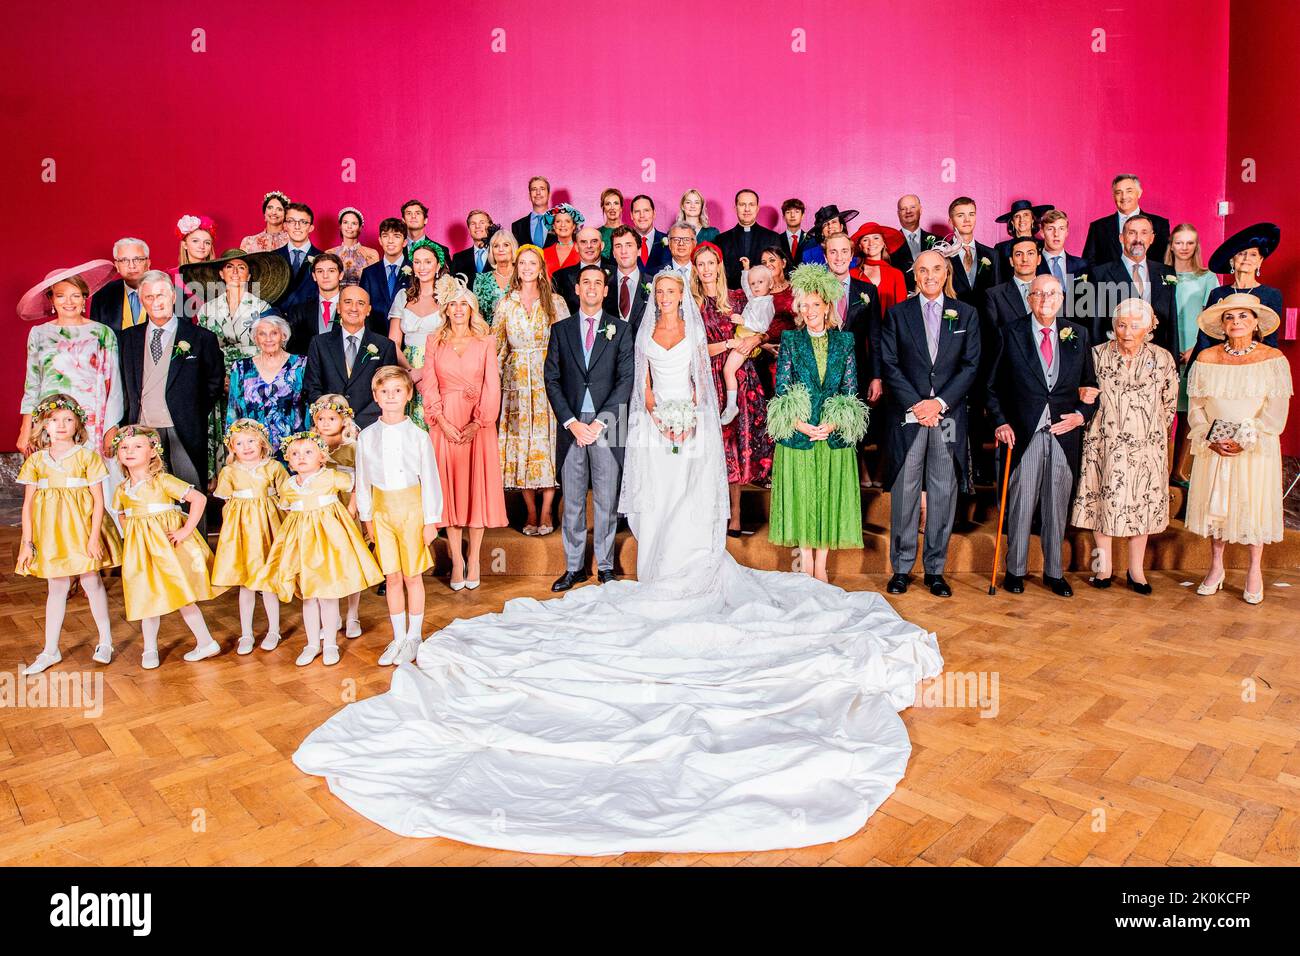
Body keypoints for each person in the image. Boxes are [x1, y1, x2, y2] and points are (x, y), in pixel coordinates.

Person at [292, 238, 942, 854]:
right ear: (654, 297)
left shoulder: (691, 326)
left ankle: (694, 575)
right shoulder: (638, 330)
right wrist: (656, 417)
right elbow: (645, 383)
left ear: (677, 295)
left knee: (692, 505)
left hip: (693, 425)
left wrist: (694, 417)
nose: (664, 300)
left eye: (669, 292)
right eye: (659, 293)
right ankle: (661, 573)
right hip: (657, 427)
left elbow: (700, 371)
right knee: (657, 509)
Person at [987, 274, 1098, 598]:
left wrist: (1080, 416)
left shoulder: (1078, 334)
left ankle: (1054, 572)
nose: (1045, 299)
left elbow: (1091, 389)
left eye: (1052, 294)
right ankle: (1016, 571)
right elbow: (991, 387)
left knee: (1056, 505)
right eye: (1038, 294)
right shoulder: (1010, 333)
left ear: (1061, 298)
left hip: (1064, 434)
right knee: (1020, 504)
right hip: (1023, 433)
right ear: (1030, 298)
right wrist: (1000, 422)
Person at [880, 249, 981, 597]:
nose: (930, 276)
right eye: (923, 270)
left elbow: (971, 365)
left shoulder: (966, 313)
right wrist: (917, 404)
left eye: (936, 269)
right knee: (905, 493)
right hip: (909, 419)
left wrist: (938, 403)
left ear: (946, 272)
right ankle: (902, 569)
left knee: (942, 493)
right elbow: (889, 364)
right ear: (915, 275)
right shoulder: (897, 314)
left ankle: (935, 570)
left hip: (948, 417)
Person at [1185, 294, 1292, 605]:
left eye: (1243, 316)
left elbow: (1276, 410)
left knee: (1251, 505)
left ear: (1256, 322)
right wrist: (1210, 436)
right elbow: (1196, 407)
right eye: (1229, 318)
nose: (1236, 323)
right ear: (1221, 324)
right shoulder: (1206, 358)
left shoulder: (1272, 359)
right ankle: (1216, 568)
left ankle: (1253, 571)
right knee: (1217, 507)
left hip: (1255, 447)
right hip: (1215, 445)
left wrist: (1246, 438)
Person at [766, 265, 868, 582]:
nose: (809, 311)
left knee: (827, 499)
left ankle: (821, 567)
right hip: (800, 437)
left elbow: (850, 392)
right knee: (804, 498)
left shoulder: (845, 342)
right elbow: (781, 390)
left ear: (827, 306)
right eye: (804, 305)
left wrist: (833, 425)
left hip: (832, 436)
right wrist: (801, 425)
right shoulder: (791, 341)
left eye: (815, 304)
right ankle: (805, 563)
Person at [1070, 299, 1178, 592]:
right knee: (1101, 504)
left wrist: (1152, 433)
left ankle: (1136, 571)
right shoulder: (1096, 355)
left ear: (1148, 327)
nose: (1126, 331)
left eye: (1134, 325)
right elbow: (1083, 395)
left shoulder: (1163, 358)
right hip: (1104, 443)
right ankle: (1103, 569)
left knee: (1141, 506)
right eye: (1121, 324)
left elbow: (1169, 403)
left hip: (1146, 446)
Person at [253, 431, 383, 665]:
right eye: (295, 454)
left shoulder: (331, 477)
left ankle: (331, 643)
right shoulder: (289, 486)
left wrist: (352, 508)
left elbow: (358, 484)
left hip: (329, 541)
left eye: (308, 452)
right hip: (302, 542)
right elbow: (287, 509)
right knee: (309, 595)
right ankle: (312, 643)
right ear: (289, 461)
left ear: (322, 457)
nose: (301, 457)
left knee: (327, 594)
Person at [14, 395, 121, 675]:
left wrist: (94, 537)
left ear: (78, 424)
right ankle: (50, 649)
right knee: (57, 587)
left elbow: (99, 501)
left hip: (82, 529)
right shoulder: (37, 460)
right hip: (50, 533)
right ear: (44, 425)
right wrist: (27, 543)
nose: (61, 425)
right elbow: (28, 504)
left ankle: (106, 641)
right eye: (54, 420)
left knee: (90, 581)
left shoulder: (87, 457)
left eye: (68, 420)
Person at [544, 263, 635, 590]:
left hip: (607, 427)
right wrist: (571, 422)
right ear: (577, 289)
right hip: (571, 430)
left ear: (606, 290)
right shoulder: (561, 329)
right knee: (572, 501)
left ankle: (607, 566)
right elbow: (551, 379)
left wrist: (599, 422)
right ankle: (574, 567)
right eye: (587, 282)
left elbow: (626, 381)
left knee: (607, 501)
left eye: (599, 283)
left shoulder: (621, 329)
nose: (593, 288)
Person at [116, 270, 224, 529]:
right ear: (142, 301)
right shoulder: (127, 338)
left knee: (190, 490)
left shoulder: (201, 337)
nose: (156, 301)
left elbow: (214, 382)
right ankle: (153, 551)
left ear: (173, 297)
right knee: (148, 493)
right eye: (149, 297)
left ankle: (195, 554)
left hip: (184, 427)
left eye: (161, 294)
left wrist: (192, 412)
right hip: (142, 428)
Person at [111, 425, 224, 668]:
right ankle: (149, 649)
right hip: (141, 551)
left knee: (181, 595)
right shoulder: (122, 489)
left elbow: (199, 499)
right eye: (124, 447)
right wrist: (131, 532)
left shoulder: (162, 481)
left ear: (153, 451)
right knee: (145, 595)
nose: (129, 451)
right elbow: (121, 514)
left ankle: (205, 642)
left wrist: (185, 530)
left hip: (166, 549)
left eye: (137, 446)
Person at [421, 275, 508, 589]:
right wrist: (440, 420)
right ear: (445, 309)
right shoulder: (434, 341)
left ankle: (475, 560)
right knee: (450, 495)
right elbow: (428, 383)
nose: (458, 309)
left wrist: (479, 421)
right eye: (453, 304)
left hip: (476, 423)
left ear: (472, 309)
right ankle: (457, 560)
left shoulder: (486, 341)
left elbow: (492, 385)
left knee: (474, 493)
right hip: (444, 423)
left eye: (464, 304)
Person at [354, 367, 443, 665]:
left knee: (412, 575)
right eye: (384, 392)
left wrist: (431, 520)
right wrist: (367, 518)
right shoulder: (366, 437)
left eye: (397, 391)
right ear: (375, 396)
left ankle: (414, 636)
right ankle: (398, 636)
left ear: (408, 395)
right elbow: (363, 480)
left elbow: (430, 479)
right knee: (391, 576)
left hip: (411, 511)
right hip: (381, 512)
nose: (391, 397)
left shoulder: (418, 436)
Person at [183, 247, 289, 476]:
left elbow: (271, 346)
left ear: (249, 275)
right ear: (221, 273)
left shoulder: (262, 307)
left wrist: (242, 378)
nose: (235, 272)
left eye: (241, 267)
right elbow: (202, 349)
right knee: (221, 426)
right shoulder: (207, 309)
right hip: (216, 376)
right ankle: (223, 480)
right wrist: (219, 377)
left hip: (253, 377)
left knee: (249, 428)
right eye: (229, 267)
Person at [693, 241, 773, 534]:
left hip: (741, 378)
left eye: (710, 263)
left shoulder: (739, 298)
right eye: (700, 264)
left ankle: (736, 515)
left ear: (719, 265)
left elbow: (761, 326)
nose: (706, 270)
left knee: (737, 445)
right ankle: (711, 514)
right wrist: (728, 344)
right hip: (709, 376)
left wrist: (757, 338)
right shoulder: (694, 304)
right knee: (715, 448)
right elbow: (696, 349)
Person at [496, 245, 570, 535]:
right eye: (522, 262)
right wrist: (496, 385)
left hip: (547, 380)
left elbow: (565, 345)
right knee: (521, 443)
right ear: (516, 267)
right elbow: (499, 346)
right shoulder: (506, 303)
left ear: (541, 268)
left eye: (532, 263)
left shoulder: (555, 302)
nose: (527, 267)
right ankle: (529, 510)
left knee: (545, 442)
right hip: (515, 383)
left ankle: (547, 510)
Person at [16, 261, 122, 456]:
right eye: (61, 296)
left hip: (92, 416)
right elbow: (32, 385)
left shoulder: (102, 333)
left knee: (90, 474)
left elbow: (113, 386)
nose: (69, 302)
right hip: (50, 418)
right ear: (51, 300)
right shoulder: (39, 333)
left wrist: (111, 427)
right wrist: (26, 428)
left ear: (84, 299)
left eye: (76, 296)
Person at [211, 419, 288, 654]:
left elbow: (286, 496)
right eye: (240, 443)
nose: (246, 447)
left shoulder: (273, 468)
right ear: (232, 447)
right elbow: (226, 502)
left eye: (251, 441)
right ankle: (247, 633)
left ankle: (274, 629)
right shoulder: (229, 471)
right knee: (246, 584)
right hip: (243, 531)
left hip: (268, 527)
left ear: (262, 442)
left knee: (268, 582)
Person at [304, 284, 399, 429]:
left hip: (371, 427)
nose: (354, 308)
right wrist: (334, 420)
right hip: (329, 429)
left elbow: (387, 391)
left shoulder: (385, 346)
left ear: (368, 310)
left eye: (360, 303)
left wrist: (357, 424)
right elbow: (312, 388)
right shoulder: (319, 343)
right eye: (347, 302)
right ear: (338, 307)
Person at [308, 394, 365, 633]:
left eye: (332, 418)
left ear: (344, 420)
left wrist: (353, 507)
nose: (326, 423)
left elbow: (360, 481)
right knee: (326, 561)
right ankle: (331, 616)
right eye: (321, 418)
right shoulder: (310, 446)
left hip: (346, 508)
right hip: (321, 511)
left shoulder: (353, 447)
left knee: (350, 560)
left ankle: (353, 614)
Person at [1166, 223, 1217, 478]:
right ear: (1171, 244)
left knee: (1186, 414)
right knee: (1163, 414)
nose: (1184, 248)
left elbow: (1211, 318)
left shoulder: (1207, 277)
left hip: (1193, 349)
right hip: (1165, 349)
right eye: (1179, 242)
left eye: (1189, 243)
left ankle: (1178, 472)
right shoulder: (1162, 274)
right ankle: (1160, 471)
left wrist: (1195, 349)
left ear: (1196, 246)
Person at [1089, 214, 1178, 356]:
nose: (1138, 239)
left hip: (1157, 361)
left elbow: (1171, 325)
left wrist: (1173, 363)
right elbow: (1095, 327)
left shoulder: (1166, 273)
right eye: (1132, 233)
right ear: (1121, 238)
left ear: (1152, 238)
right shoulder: (1100, 274)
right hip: (1116, 360)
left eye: (1144, 233)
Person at [1191, 222, 1284, 358]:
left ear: (1260, 261)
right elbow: (1205, 338)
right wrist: (1199, 365)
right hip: (1220, 361)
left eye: (1253, 255)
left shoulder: (1272, 295)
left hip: (1255, 363)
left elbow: (1270, 340)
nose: (1246, 259)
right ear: (1232, 261)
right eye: (1241, 254)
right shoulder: (1218, 293)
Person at [224, 315, 307, 466]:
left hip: (293, 447)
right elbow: (233, 410)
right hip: (252, 448)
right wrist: (235, 446)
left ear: (284, 335)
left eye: (274, 333)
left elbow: (307, 407)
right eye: (262, 333)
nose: (268, 338)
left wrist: (308, 444)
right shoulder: (242, 367)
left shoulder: (301, 364)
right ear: (255, 338)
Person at [386, 238, 448, 427]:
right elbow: (394, 342)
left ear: (438, 265)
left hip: (440, 365)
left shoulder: (447, 296)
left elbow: (453, 339)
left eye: (428, 261)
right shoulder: (403, 296)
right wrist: (410, 372)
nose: (422, 267)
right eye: (417, 261)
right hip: (407, 366)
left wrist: (425, 371)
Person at [825, 233, 883, 406]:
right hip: (822, 374)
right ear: (825, 256)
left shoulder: (868, 290)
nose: (839, 257)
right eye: (833, 252)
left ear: (851, 256)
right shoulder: (815, 290)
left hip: (858, 373)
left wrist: (876, 376)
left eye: (844, 251)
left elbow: (875, 338)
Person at [720, 260, 775, 424]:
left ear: (770, 283)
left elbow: (764, 326)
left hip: (748, 340)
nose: (756, 286)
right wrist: (746, 270)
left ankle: (731, 406)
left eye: (760, 282)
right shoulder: (756, 297)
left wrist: (744, 322)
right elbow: (746, 286)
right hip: (741, 336)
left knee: (728, 370)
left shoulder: (767, 304)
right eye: (753, 283)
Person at [1083, 173, 1171, 266]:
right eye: (1118, 192)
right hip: (1108, 280)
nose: (1124, 197)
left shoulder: (1159, 224)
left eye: (1129, 191)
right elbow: (1088, 263)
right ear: (1113, 196)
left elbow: (1166, 260)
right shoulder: (1098, 227)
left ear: (1139, 193)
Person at [714, 188, 780, 288]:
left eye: (751, 205)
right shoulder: (721, 240)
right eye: (742, 204)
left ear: (757, 208)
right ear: (735, 208)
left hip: (764, 298)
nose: (747, 209)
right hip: (730, 298)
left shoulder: (772, 238)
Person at [1035, 209, 1090, 322]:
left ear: (1067, 232)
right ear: (1042, 232)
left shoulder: (1082, 265)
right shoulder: (1034, 265)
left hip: (1076, 327)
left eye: (1061, 229)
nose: (1056, 234)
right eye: (1051, 229)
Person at [90, 238, 152, 333]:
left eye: (138, 259)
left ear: (148, 263)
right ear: (117, 266)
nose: (131, 266)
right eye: (124, 260)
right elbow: (96, 336)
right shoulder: (102, 294)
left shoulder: (166, 291)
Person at [272, 202, 325, 309]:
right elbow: (259, 292)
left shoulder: (323, 258)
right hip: (278, 321)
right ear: (285, 225)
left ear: (311, 228)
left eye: (303, 222)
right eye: (291, 221)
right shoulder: (272, 258)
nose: (297, 227)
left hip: (310, 322)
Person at [358, 218, 410, 325]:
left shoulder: (415, 271)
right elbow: (362, 307)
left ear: (405, 242)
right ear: (380, 240)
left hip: (407, 334)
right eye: (386, 236)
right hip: (376, 336)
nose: (390, 241)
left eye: (396, 236)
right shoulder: (369, 273)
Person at [947, 196, 996, 307]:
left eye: (971, 214)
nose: (967, 220)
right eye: (960, 215)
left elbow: (996, 293)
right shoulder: (942, 254)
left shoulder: (992, 255)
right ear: (951, 222)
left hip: (985, 320)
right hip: (953, 317)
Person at [849, 221, 908, 312]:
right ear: (860, 246)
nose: (871, 243)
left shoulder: (896, 275)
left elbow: (903, 311)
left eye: (876, 238)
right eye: (865, 240)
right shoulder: (852, 274)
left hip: (890, 326)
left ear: (884, 243)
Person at [604, 225, 653, 330]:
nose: (623, 251)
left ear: (639, 250)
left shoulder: (653, 283)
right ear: (613, 253)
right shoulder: (603, 283)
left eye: (629, 245)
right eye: (618, 246)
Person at [551, 225, 609, 313]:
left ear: (602, 246)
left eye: (594, 241)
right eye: (583, 242)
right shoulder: (559, 277)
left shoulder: (617, 273)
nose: (589, 246)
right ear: (577, 247)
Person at [991, 199, 1051, 284]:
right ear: (1012, 222)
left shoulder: (1044, 245)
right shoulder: (1001, 249)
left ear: (1033, 219)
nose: (1021, 219)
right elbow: (997, 280)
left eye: (1026, 215)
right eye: (1017, 216)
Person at [472, 227, 517, 324]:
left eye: (506, 245)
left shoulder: (523, 276)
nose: (501, 249)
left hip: (520, 335)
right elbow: (477, 315)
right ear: (492, 251)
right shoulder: (481, 280)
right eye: (496, 246)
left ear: (512, 248)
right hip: (489, 335)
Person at [893, 194, 937, 291]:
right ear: (898, 213)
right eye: (903, 209)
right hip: (902, 301)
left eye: (912, 207)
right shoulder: (889, 244)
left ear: (920, 210)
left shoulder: (938, 241)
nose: (908, 211)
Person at [327, 207, 380, 282]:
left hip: (363, 293)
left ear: (360, 227)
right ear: (340, 226)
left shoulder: (371, 254)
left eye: (354, 223)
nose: (349, 227)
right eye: (345, 222)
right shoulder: (330, 253)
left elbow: (374, 282)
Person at [449, 209, 495, 282]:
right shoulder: (458, 258)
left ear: (490, 226)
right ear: (469, 229)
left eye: (482, 223)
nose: (477, 226)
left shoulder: (499, 253)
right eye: (473, 223)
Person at [629, 194, 671, 273]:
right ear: (631, 215)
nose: (642, 215)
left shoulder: (669, 242)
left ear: (654, 214)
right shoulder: (622, 243)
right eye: (637, 211)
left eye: (646, 211)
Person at [511, 175, 557, 248]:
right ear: (529, 196)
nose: (538, 192)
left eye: (542, 189)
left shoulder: (560, 222)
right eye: (534, 189)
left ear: (549, 194)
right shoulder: (517, 226)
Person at [400, 198, 450, 262]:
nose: (413, 216)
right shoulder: (395, 248)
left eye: (418, 213)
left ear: (425, 220)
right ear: (403, 220)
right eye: (409, 213)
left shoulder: (441, 250)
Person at [542, 203, 583, 276]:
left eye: (567, 221)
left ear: (574, 226)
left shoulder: (582, 250)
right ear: (553, 226)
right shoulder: (544, 253)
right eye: (558, 221)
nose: (563, 225)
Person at [774, 198, 807, 273]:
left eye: (797, 212)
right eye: (788, 212)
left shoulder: (811, 240)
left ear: (802, 216)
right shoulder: (776, 239)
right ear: (783, 217)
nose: (792, 215)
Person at [597, 187, 624, 257]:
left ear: (621, 208)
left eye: (616, 203)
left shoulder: (631, 233)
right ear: (603, 207)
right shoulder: (596, 234)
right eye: (608, 204)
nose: (612, 208)